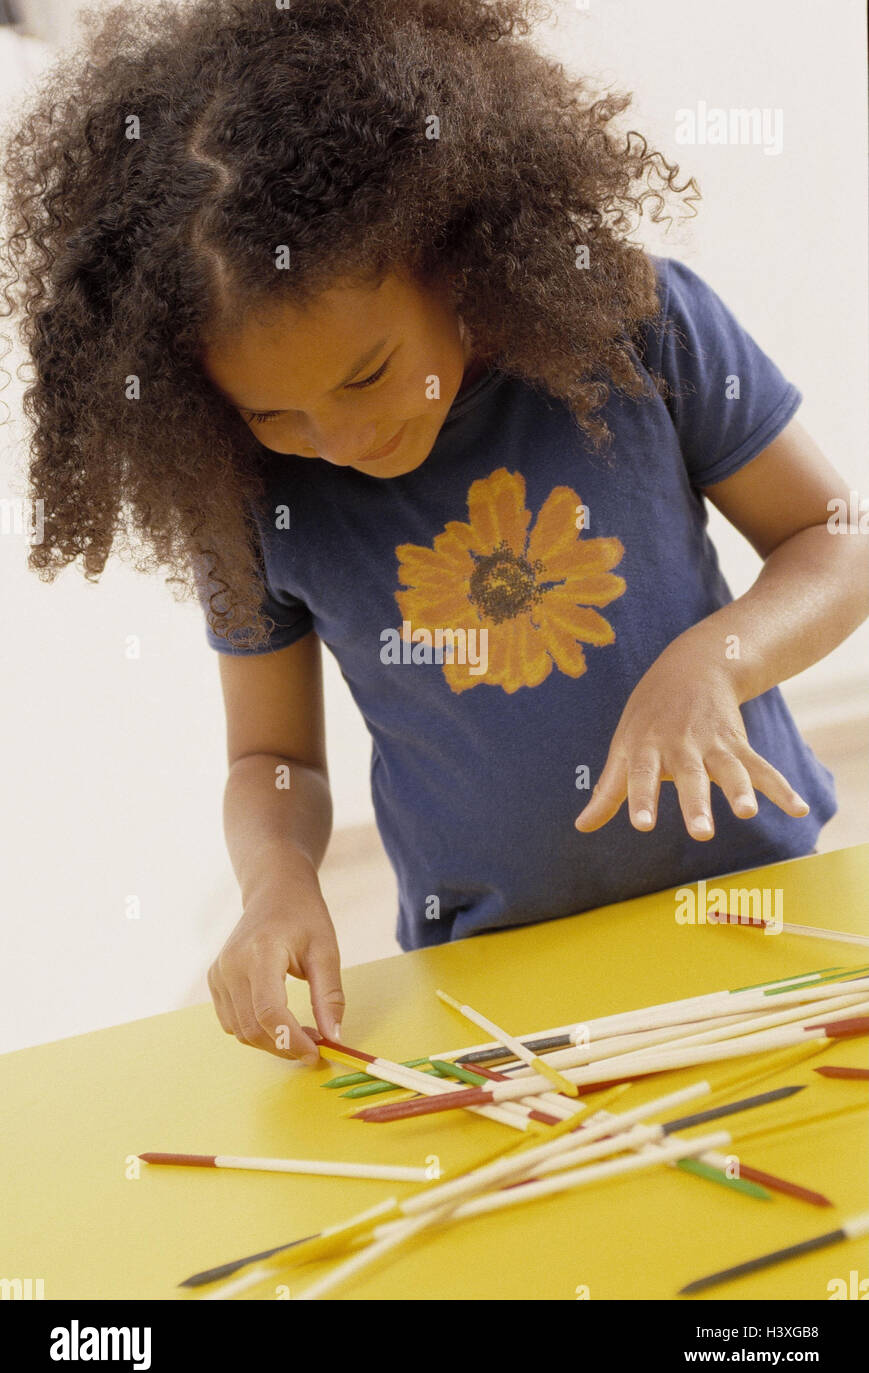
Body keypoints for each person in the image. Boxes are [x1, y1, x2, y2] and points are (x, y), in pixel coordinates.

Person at [3, 0, 865, 1064]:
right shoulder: (248, 497)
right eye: (275, 412)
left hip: (752, 903)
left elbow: (833, 540)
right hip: (489, 977)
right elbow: (272, 757)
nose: (343, 436)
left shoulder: (634, 326)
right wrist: (276, 880)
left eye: (366, 373)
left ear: (453, 255)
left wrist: (712, 661)